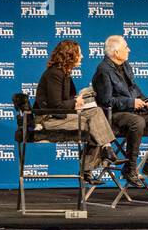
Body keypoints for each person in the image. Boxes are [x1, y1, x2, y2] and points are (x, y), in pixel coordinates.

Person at [32, 39, 118, 183]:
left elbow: (64, 101)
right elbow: (56, 106)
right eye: (79, 53)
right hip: (48, 120)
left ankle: (105, 149)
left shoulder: (65, 73)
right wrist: (75, 103)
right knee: (93, 125)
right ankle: (90, 166)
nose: (82, 56)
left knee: (96, 113)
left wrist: (78, 101)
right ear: (69, 55)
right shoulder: (55, 73)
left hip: (60, 116)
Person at [91, 34, 148, 186]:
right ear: (116, 53)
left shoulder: (125, 65)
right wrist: (131, 102)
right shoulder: (103, 70)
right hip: (113, 115)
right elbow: (105, 101)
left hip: (131, 111)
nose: (129, 50)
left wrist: (145, 101)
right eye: (126, 47)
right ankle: (130, 168)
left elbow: (133, 88)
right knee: (137, 122)